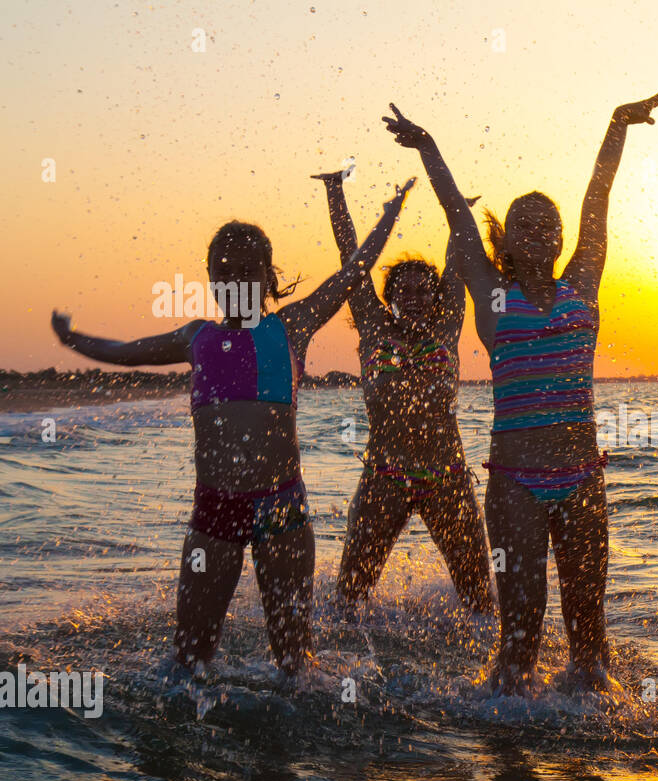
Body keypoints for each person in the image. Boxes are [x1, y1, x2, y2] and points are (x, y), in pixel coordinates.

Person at [49, 179, 416, 676]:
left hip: (282, 508)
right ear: (210, 278)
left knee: (294, 666)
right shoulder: (194, 337)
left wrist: (392, 211)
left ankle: (283, 748)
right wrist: (75, 340)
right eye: (225, 271)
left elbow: (354, 272)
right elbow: (126, 351)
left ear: (268, 276)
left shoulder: (293, 326)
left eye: (249, 270)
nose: (237, 280)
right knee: (188, 660)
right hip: (214, 512)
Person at [382, 88, 658, 694]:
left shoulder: (583, 284)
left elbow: (599, 198)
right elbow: (457, 219)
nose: (539, 232)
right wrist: (428, 146)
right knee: (520, 632)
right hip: (515, 482)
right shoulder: (491, 298)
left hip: (582, 476)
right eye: (525, 225)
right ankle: (511, 749)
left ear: (564, 240)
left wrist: (617, 124)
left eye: (549, 226)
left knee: (590, 638)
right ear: (507, 242)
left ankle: (590, 742)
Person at [311, 167, 492, 614]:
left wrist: (458, 217)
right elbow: (350, 257)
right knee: (349, 601)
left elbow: (456, 262)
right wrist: (336, 192)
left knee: (481, 602)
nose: (413, 297)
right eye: (403, 291)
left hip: (447, 475)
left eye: (423, 290)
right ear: (388, 297)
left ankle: (496, 682)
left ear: (437, 298)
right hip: (383, 477)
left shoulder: (448, 326)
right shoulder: (373, 328)